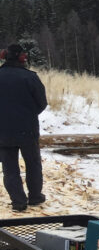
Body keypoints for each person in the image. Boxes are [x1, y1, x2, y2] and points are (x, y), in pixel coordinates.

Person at [0, 43, 47, 212]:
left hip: (3, 132)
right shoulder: (30, 77)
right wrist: (28, 114)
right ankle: (35, 197)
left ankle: (18, 202)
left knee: (9, 168)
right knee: (33, 164)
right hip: (27, 129)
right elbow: (42, 103)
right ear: (22, 58)